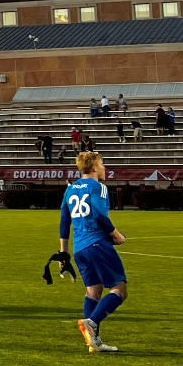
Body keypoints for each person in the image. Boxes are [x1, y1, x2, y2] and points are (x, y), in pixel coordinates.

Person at [61, 151, 128, 353]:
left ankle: (93, 342)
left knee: (93, 291)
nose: (105, 168)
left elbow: (65, 222)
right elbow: (99, 214)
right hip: (98, 244)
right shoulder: (99, 187)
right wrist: (116, 234)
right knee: (119, 290)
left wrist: (63, 253)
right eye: (102, 164)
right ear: (93, 168)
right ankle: (92, 322)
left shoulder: (70, 189)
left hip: (80, 248)